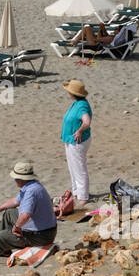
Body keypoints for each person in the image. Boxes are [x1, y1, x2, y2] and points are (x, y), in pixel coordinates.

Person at [61, 81, 92, 210]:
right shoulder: (77, 104)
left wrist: (79, 131)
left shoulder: (81, 106)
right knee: (72, 168)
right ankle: (76, 193)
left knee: (79, 169)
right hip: (70, 140)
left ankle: (83, 197)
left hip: (77, 142)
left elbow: (87, 121)